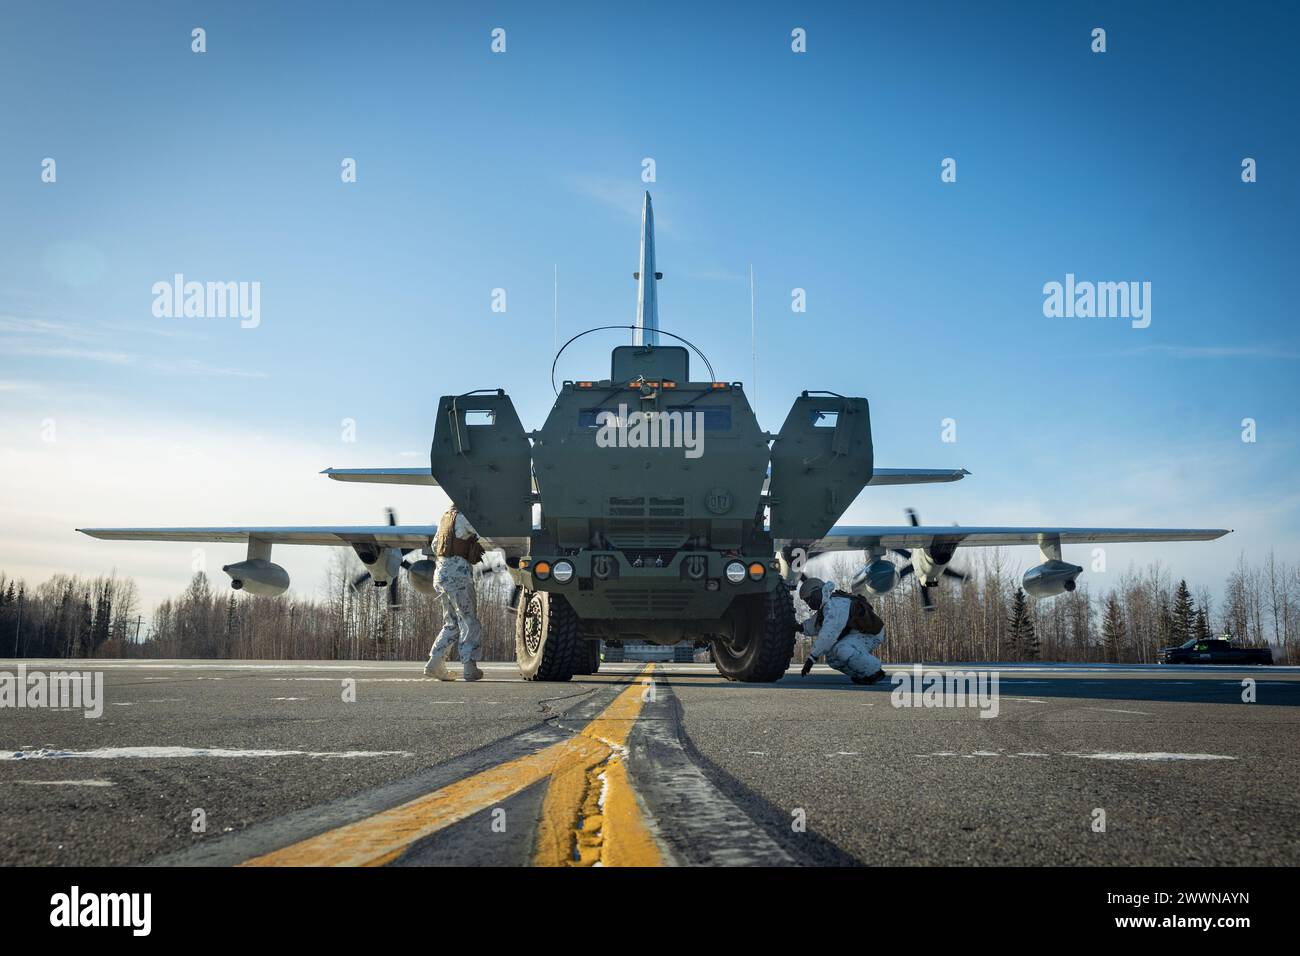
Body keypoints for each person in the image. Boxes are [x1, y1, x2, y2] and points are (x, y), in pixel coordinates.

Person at [424, 505, 486, 681]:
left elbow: (436, 545)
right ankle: (469, 666)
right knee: (468, 621)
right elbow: (485, 531)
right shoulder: (465, 517)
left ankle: (434, 662)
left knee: (451, 622)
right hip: (459, 576)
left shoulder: (445, 518)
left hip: (442, 575)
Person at [797, 577, 888, 684]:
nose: (809, 603)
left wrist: (812, 658)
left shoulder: (837, 604)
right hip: (856, 634)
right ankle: (862, 674)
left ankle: (874, 672)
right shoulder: (827, 606)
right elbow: (814, 625)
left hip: (869, 634)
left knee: (842, 649)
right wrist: (798, 627)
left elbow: (829, 633)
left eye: (809, 599)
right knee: (832, 658)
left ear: (816, 592)